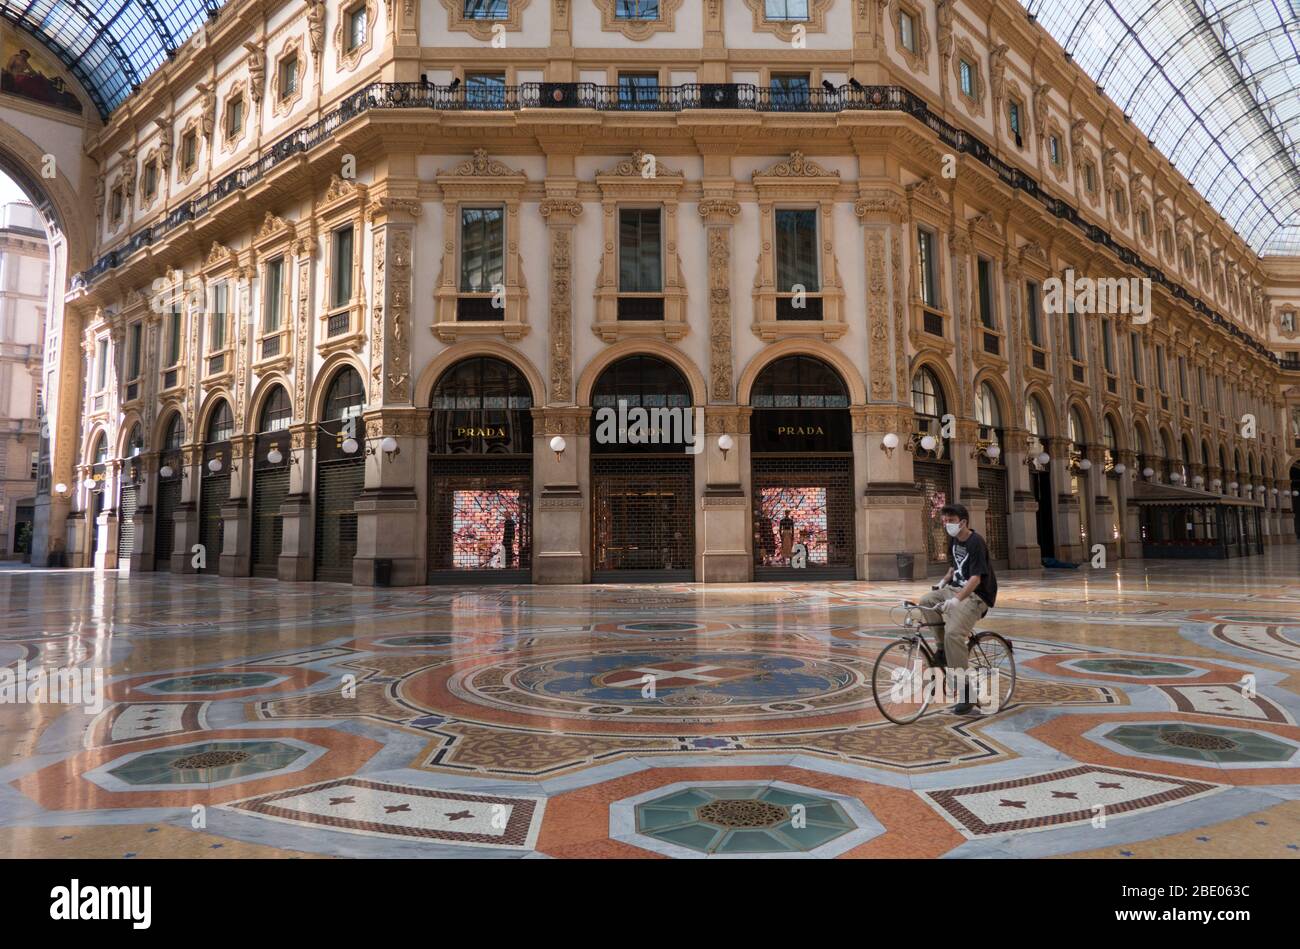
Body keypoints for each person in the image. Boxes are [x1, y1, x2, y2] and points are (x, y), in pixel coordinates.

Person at [916, 502, 999, 715]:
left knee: (953, 634)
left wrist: (956, 600)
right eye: (944, 521)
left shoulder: (976, 542)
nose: (947, 524)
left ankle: (967, 692)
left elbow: (976, 578)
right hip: (954, 588)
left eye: (951, 521)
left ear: (963, 522)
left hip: (976, 595)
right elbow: (955, 566)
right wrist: (942, 583)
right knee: (926, 601)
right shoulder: (954, 540)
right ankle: (942, 648)